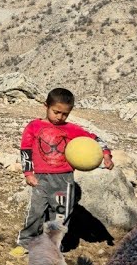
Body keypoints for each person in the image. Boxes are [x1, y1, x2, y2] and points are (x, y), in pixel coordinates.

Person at [18, 88, 114, 246]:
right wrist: (28, 173)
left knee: (61, 213)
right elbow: (26, 149)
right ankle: (26, 242)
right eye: (56, 112)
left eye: (65, 114)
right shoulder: (34, 126)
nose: (59, 117)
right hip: (40, 178)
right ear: (46, 106)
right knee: (35, 212)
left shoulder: (71, 129)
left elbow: (94, 139)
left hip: (65, 179)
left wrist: (106, 155)